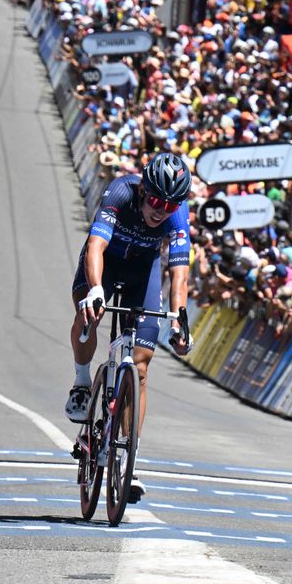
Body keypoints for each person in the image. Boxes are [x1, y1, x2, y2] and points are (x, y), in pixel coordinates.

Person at [65, 152, 193, 504]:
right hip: (105, 263)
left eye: (169, 205)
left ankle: (127, 460)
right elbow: (95, 245)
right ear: (143, 192)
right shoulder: (121, 192)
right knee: (88, 313)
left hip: (143, 270)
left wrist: (181, 318)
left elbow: (179, 272)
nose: (160, 210)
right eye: (154, 200)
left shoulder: (176, 215)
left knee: (141, 365)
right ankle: (81, 382)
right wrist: (94, 290)